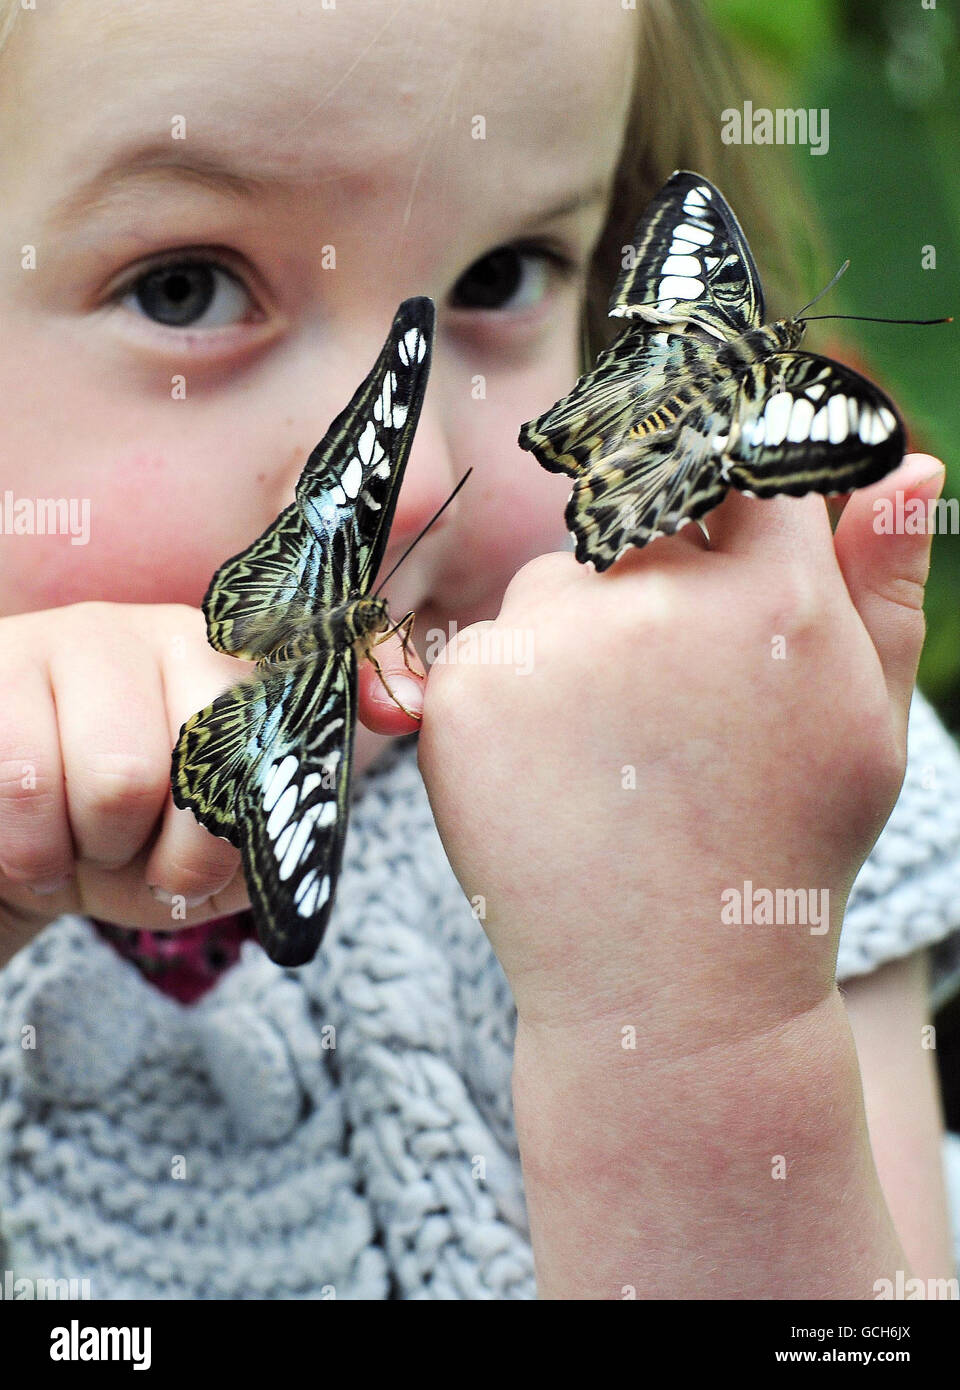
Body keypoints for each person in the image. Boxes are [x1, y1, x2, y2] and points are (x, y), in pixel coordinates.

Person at [0, 0, 958, 1300]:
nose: (419, 477)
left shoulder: (768, 796)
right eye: (186, 287)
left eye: (504, 275)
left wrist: (707, 1012)